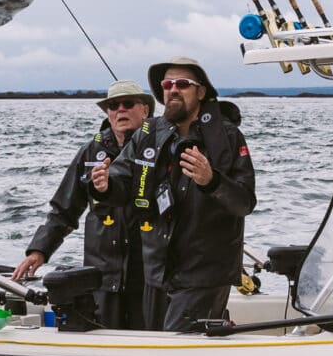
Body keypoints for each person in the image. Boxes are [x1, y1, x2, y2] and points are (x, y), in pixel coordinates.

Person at [91, 57, 255, 331]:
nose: (173, 90)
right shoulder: (149, 131)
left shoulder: (226, 136)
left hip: (204, 273)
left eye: (183, 84)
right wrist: (105, 185)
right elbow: (122, 181)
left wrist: (211, 180)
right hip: (157, 272)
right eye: (167, 84)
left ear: (201, 92)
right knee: (156, 350)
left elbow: (245, 202)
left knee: (177, 348)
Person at [13, 79, 155, 328]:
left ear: (145, 110)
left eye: (128, 103)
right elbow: (63, 210)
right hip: (102, 276)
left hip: (149, 276)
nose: (120, 109)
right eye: (112, 106)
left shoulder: (160, 148)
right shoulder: (90, 152)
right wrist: (39, 250)